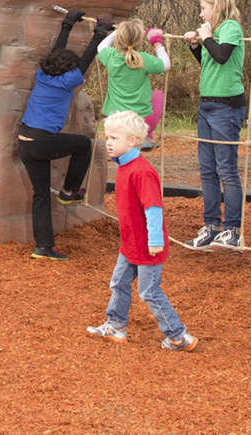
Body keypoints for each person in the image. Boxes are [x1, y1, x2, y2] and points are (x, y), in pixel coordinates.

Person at [87, 110, 198, 351]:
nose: (108, 143)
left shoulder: (142, 171)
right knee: (118, 283)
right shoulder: (125, 167)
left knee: (148, 291)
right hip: (130, 244)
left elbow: (154, 208)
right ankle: (116, 325)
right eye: (108, 137)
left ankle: (178, 336)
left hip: (148, 245)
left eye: (114, 138)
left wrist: (155, 240)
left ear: (132, 141)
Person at [17, 9, 113, 260]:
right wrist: (100, 33)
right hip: (41, 141)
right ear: (68, 71)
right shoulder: (68, 80)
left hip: (25, 142)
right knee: (83, 145)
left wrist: (68, 24)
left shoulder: (42, 75)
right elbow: (87, 59)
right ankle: (70, 191)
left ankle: (44, 247)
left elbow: (57, 52)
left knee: (41, 195)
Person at [182, 0, 247, 251]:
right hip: (207, 104)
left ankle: (231, 229)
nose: (201, 14)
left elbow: (221, 57)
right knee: (207, 169)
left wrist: (206, 37)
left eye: (204, 8)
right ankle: (211, 226)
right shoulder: (216, 31)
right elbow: (209, 62)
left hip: (226, 107)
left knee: (226, 169)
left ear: (216, 7)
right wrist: (196, 46)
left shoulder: (230, 27)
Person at [96, 18, 170, 151]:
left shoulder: (111, 57)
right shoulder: (143, 59)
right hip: (142, 122)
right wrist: (157, 43)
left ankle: (144, 138)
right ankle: (146, 136)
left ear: (118, 39)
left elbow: (100, 47)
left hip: (117, 120)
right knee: (158, 94)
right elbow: (166, 65)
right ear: (140, 41)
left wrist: (116, 31)